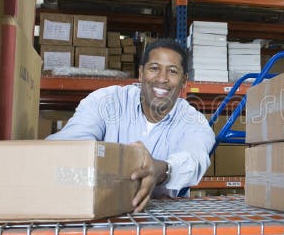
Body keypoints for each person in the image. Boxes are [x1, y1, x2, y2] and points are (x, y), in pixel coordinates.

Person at [47, 38, 215, 213]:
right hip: (102, 213)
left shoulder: (194, 122)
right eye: (154, 68)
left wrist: (160, 170)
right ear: (141, 73)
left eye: (172, 71)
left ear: (184, 81)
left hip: (164, 220)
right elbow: (66, 148)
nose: (162, 78)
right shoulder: (106, 102)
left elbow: (193, 160)